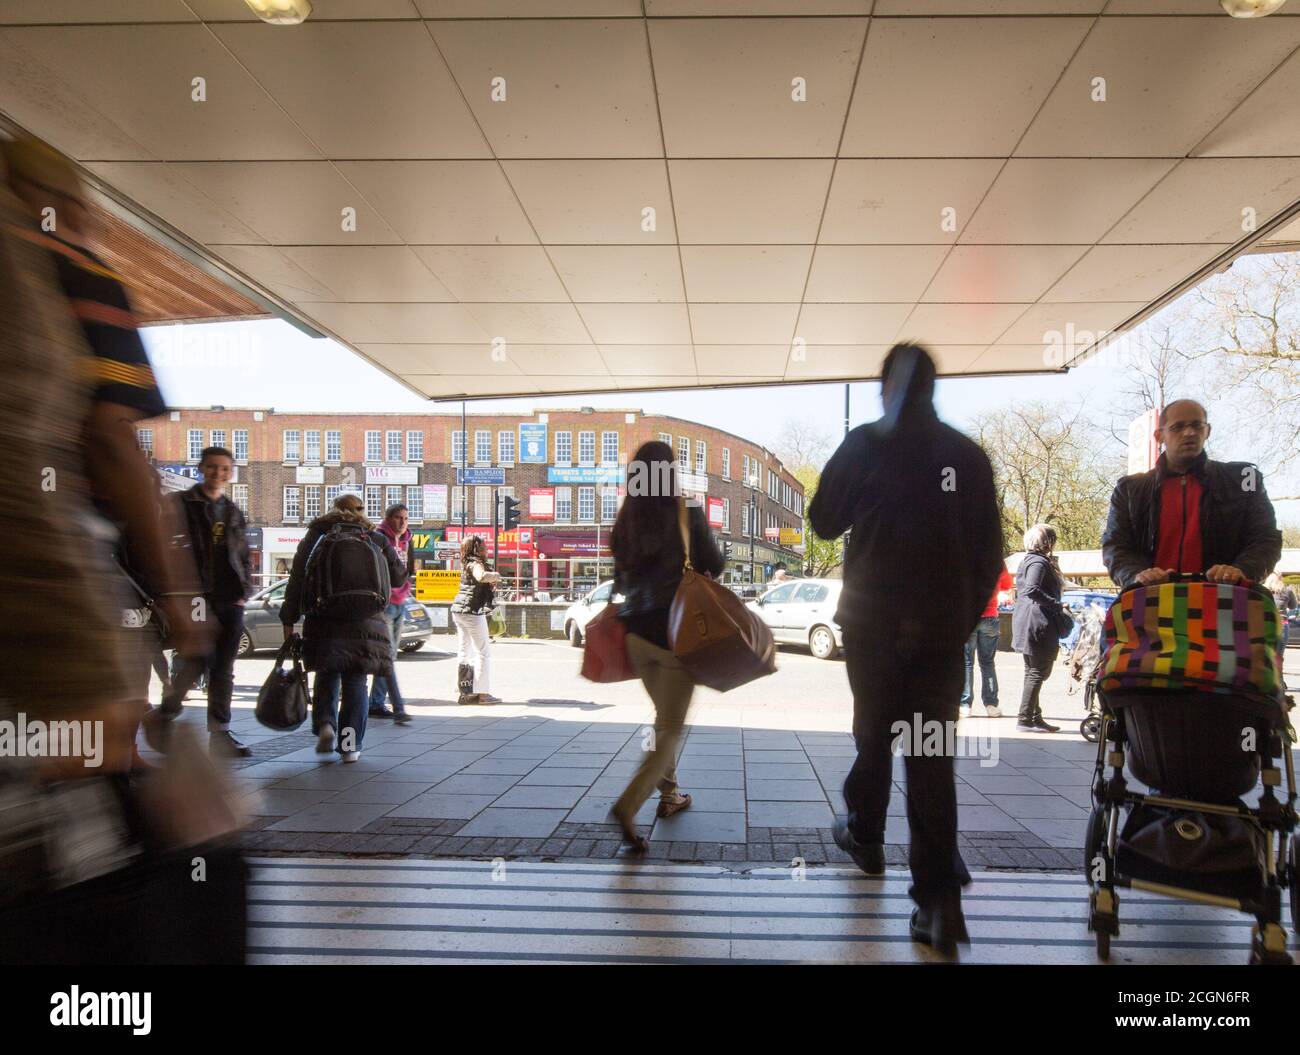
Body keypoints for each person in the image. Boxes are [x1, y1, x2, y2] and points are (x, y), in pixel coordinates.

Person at [809, 342, 1003, 957]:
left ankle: (865, 835)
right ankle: (939, 904)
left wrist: (860, 453)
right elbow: (989, 555)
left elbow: (821, 520)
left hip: (872, 626)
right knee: (930, 756)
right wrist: (957, 622)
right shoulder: (966, 457)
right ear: (932, 388)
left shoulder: (865, 444)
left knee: (875, 738)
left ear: (885, 387)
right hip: (940, 636)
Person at [609, 441, 725, 850]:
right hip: (677, 633)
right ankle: (627, 805)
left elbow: (621, 576)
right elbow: (716, 560)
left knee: (663, 719)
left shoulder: (626, 517)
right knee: (670, 729)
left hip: (637, 635)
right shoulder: (686, 510)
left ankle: (669, 794)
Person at [1102, 399, 1282, 589]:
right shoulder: (1129, 489)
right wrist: (1136, 576)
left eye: (1197, 425)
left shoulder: (1244, 478)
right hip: (1152, 605)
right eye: (1177, 427)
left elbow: (1265, 538)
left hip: (1224, 603)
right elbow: (1116, 547)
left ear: (1208, 431)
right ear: (1159, 436)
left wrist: (1241, 571)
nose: (1189, 432)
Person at [279, 494, 406, 762]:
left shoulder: (318, 534)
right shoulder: (374, 537)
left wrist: (288, 619)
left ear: (334, 509)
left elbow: (298, 577)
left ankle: (326, 724)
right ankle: (350, 747)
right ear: (362, 512)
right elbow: (398, 577)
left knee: (327, 673)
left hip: (324, 616)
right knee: (356, 680)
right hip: (365, 619)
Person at [175, 447, 255, 757]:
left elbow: (244, 554)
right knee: (195, 661)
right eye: (212, 467)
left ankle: (220, 734)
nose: (218, 473)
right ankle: (167, 712)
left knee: (224, 668)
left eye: (224, 468)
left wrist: (243, 590)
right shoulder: (182, 504)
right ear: (201, 468)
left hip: (230, 598)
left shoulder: (233, 510)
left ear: (231, 472)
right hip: (196, 595)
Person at [1011, 525, 1069, 734]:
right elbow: (1032, 589)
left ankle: (1034, 717)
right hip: (1038, 623)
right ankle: (1025, 718)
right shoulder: (1038, 562)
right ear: (1047, 542)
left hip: (1028, 621)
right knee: (1037, 672)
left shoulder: (1028, 560)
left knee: (1032, 671)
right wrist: (1057, 605)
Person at [367, 503, 415, 724]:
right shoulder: (378, 538)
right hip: (384, 604)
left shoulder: (407, 540)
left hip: (401, 602)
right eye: (397, 518)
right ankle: (394, 706)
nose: (402, 522)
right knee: (385, 655)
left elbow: (408, 570)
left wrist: (407, 589)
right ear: (388, 519)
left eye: (405, 518)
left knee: (389, 655)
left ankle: (377, 703)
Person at [449, 535, 502, 705]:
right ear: (476, 548)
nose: (487, 548)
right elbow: (481, 577)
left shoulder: (466, 564)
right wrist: (495, 576)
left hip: (458, 610)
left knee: (464, 651)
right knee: (483, 652)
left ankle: (465, 692)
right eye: (484, 545)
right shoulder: (476, 563)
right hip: (472, 611)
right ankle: (483, 695)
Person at [960, 562, 1013, 719]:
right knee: (988, 663)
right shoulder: (995, 560)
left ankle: (965, 705)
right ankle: (991, 705)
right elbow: (1007, 584)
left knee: (967, 663)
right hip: (990, 616)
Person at [1263, 572, 1295, 681]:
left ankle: (1267, 681)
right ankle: (1279, 683)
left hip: (1265, 625)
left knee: (1266, 655)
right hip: (1282, 625)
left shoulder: (1262, 591)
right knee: (1279, 656)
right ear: (1280, 579)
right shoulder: (1287, 590)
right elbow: (1293, 606)